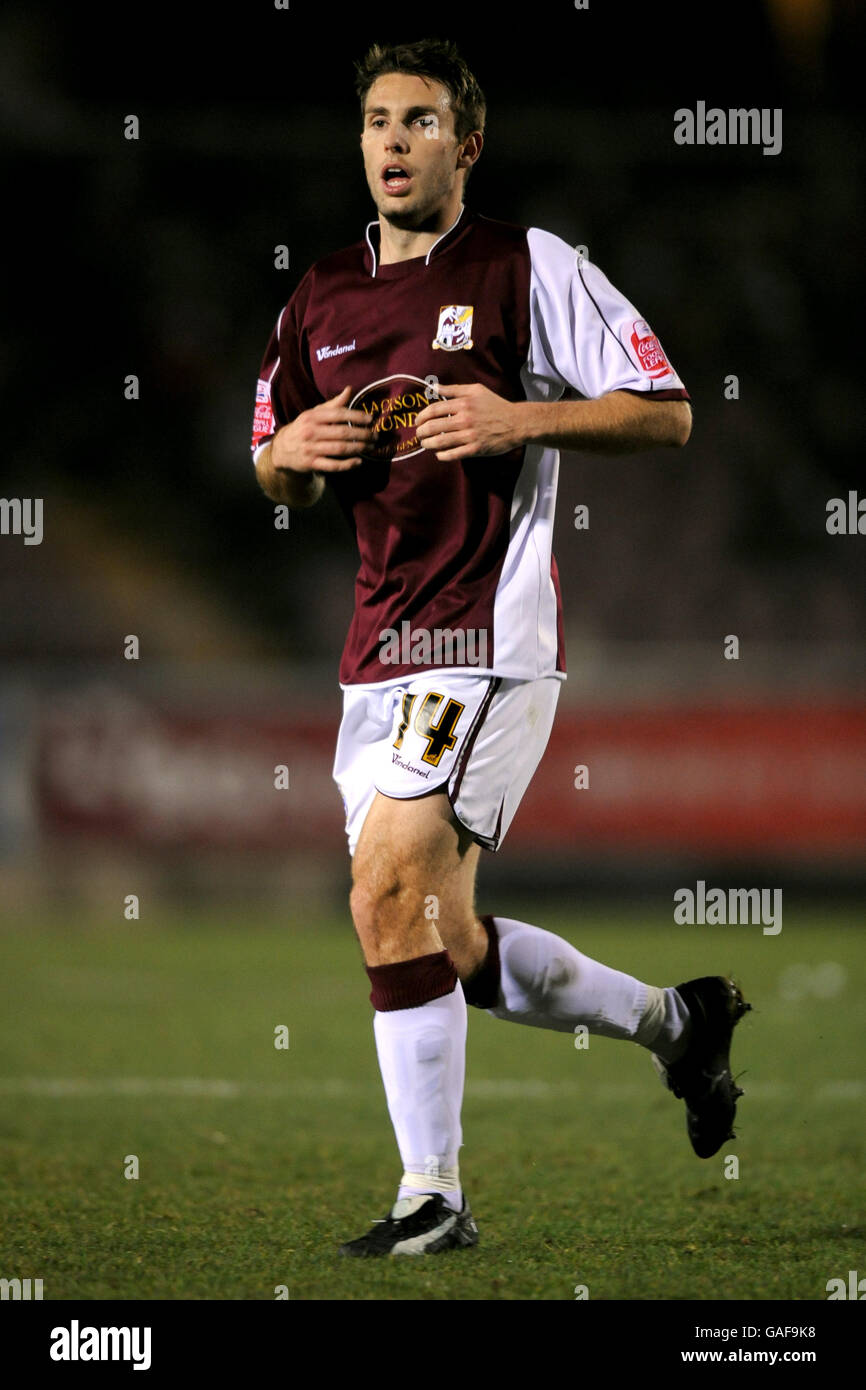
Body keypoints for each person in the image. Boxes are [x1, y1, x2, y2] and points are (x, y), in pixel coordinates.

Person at [250, 38, 749, 1258]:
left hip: (483, 636)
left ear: (465, 144)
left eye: (419, 121)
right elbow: (268, 455)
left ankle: (435, 1197)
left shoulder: (528, 266)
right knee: (439, 936)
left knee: (382, 890)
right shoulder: (317, 292)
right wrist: (291, 461)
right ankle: (676, 1024)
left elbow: (666, 409)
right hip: (374, 650)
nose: (393, 142)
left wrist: (521, 413)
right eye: (376, 120)